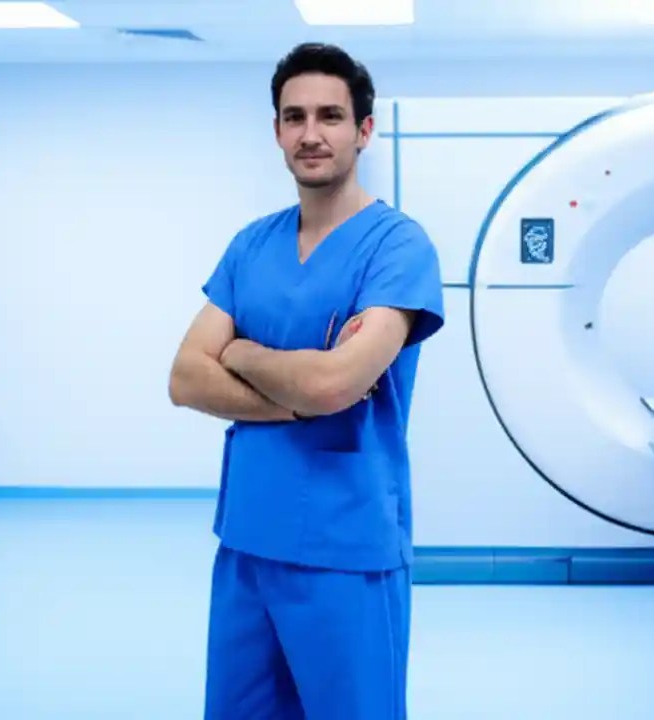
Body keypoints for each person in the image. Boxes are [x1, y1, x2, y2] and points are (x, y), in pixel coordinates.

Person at [167, 42, 445, 720]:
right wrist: (302, 386)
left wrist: (240, 352)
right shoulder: (250, 244)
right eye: (294, 117)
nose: (311, 134)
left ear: (364, 130)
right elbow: (183, 377)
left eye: (330, 115)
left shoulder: (398, 246)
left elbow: (334, 387)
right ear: (277, 132)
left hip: (347, 543)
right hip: (247, 538)